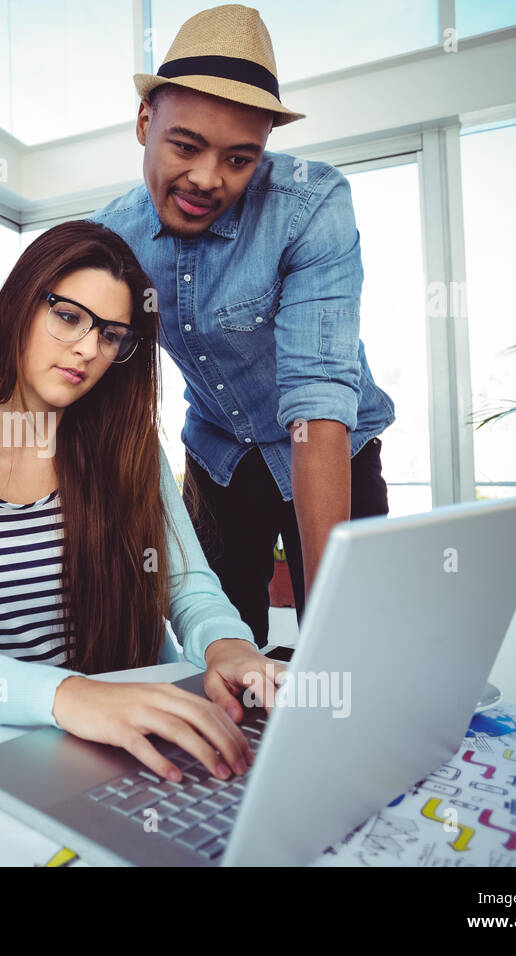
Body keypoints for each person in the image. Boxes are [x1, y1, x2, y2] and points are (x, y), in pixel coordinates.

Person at [0, 221, 280, 782]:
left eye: (111, 334)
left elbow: (188, 585)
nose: (88, 348)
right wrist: (72, 698)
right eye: (68, 317)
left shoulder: (127, 444)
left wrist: (227, 644)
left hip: (142, 735)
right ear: (19, 305)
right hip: (3, 743)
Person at [89, 5, 395, 646]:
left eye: (239, 158)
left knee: (347, 639)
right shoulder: (108, 238)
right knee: (228, 639)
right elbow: (92, 381)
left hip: (334, 446)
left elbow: (315, 398)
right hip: (219, 455)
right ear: (145, 122)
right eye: (186, 146)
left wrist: (329, 611)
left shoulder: (312, 206)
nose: (207, 179)